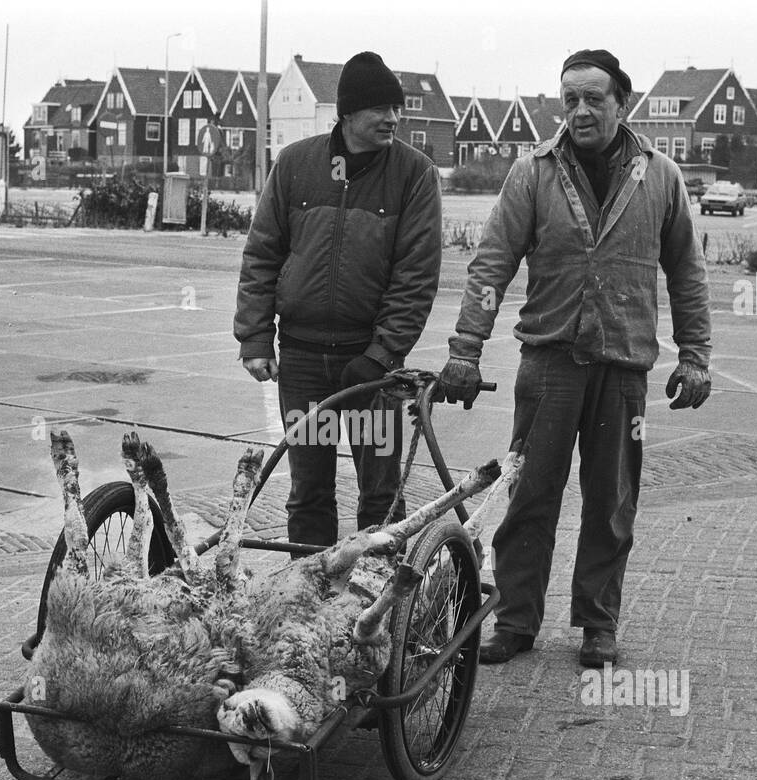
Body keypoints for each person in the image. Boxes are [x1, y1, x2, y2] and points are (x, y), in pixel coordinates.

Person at [438, 49, 713, 667]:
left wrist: (694, 355)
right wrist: (464, 349)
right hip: (549, 365)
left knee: (611, 503)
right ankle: (514, 622)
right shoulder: (531, 173)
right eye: (570, 99)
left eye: (594, 98)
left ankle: (597, 625)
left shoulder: (660, 177)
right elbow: (493, 264)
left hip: (622, 367)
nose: (581, 111)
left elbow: (688, 274)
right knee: (530, 497)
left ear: (623, 102)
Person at [235, 51, 442, 549]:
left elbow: (415, 277)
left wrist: (382, 356)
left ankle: (377, 611)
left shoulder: (414, 174)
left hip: (373, 368)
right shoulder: (295, 165)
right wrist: (256, 337)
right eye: (380, 109)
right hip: (304, 364)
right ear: (347, 113)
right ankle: (307, 604)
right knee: (308, 495)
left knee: (380, 497)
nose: (393, 119)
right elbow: (261, 255)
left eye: (398, 109)